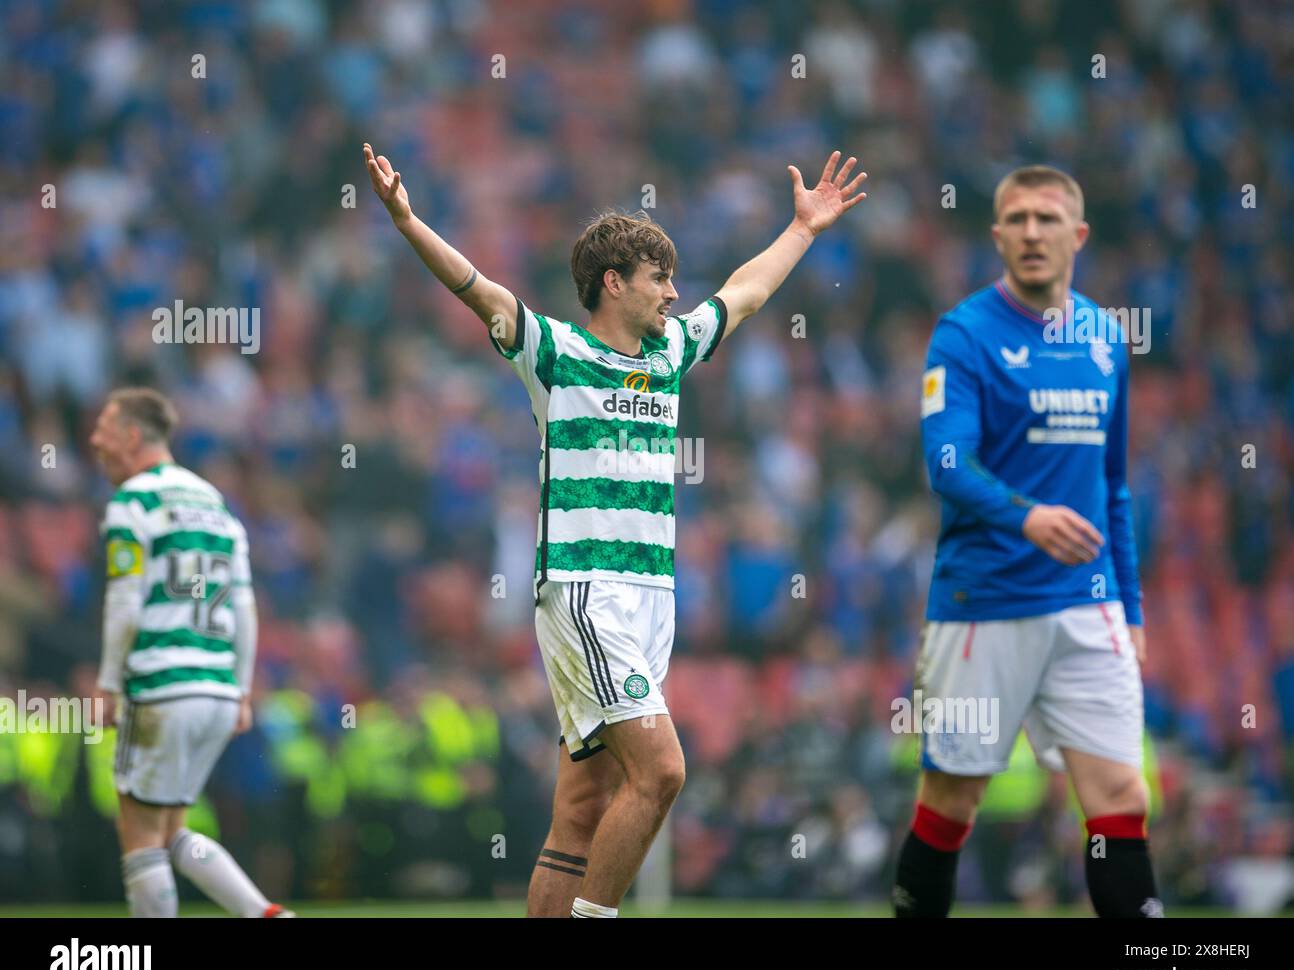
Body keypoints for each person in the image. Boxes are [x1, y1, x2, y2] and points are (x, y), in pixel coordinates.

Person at [365, 141, 867, 917]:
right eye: (658, 278)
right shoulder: (557, 354)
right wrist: (407, 221)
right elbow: (480, 292)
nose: (673, 293)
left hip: (651, 595)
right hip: (586, 589)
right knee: (663, 773)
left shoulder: (668, 355)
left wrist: (802, 229)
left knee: (583, 808)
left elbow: (748, 292)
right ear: (613, 282)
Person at [893, 165, 1161, 918]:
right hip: (984, 604)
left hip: (1089, 604)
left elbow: (1113, 488)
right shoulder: (966, 333)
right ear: (998, 236)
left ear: (1077, 235)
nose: (1032, 232)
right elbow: (946, 462)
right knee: (952, 798)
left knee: (1119, 799)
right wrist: (1027, 517)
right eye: (1017, 219)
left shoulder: (1107, 340)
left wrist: (1132, 610)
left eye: (1047, 219)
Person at [92, 387, 291, 918]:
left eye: (105, 428)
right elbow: (246, 605)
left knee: (139, 834)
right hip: (218, 688)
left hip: (162, 682)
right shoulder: (216, 503)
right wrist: (244, 690)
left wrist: (109, 683)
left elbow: (126, 602)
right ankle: (266, 915)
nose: (95, 440)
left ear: (133, 436)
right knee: (174, 827)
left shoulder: (133, 501)